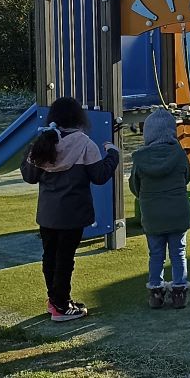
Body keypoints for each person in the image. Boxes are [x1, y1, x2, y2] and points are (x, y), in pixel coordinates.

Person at [21, 96, 120, 322]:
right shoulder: (84, 143)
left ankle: (55, 300)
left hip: (47, 214)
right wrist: (113, 154)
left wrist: (30, 151)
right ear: (79, 118)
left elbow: (29, 176)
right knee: (65, 259)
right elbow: (99, 176)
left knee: (51, 257)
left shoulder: (44, 141)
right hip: (73, 214)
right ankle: (62, 305)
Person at [129, 108, 190, 308]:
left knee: (156, 253)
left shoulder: (140, 159)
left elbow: (134, 186)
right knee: (178, 253)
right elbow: (186, 178)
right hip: (177, 213)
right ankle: (179, 292)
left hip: (152, 215)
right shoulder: (179, 155)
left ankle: (156, 292)